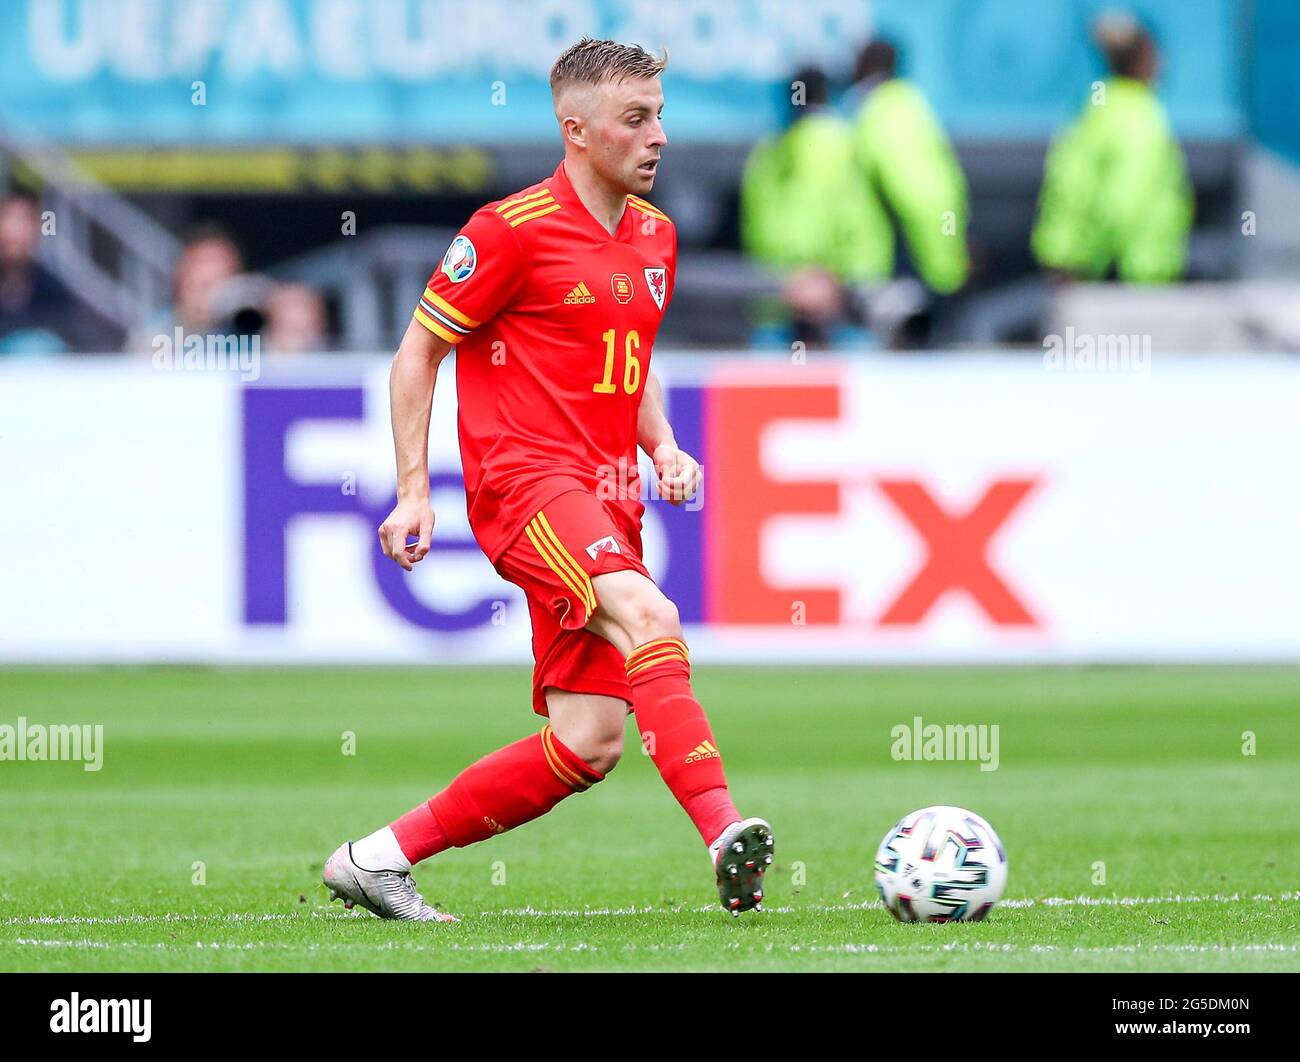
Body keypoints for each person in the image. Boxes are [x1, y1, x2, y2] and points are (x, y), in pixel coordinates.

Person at [323, 38, 773, 922]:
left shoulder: (657, 237)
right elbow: (418, 353)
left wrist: (664, 446)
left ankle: (375, 860)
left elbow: (625, 359)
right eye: (635, 119)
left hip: (608, 494)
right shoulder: (509, 231)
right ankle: (724, 831)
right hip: (524, 484)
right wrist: (414, 489)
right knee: (651, 615)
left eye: (660, 116)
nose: (659, 137)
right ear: (576, 130)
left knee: (589, 741)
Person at [1032, 13, 1193, 284]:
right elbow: (1124, 201)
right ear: (1145, 58)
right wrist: (1094, 261)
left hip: (1088, 267)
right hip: (1129, 273)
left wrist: (1070, 258)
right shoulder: (1140, 117)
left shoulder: (1093, 109)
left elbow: (1068, 184)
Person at [740, 66, 874, 344]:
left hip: (779, 291)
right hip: (839, 292)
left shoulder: (768, 149)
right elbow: (850, 215)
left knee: (769, 377)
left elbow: (757, 222)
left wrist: (785, 277)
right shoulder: (843, 139)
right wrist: (831, 277)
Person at [845, 39, 970, 297]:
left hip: (892, 272)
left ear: (863, 66)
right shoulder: (908, 109)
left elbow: (919, 197)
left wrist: (940, 268)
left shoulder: (885, 114)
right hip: (908, 267)